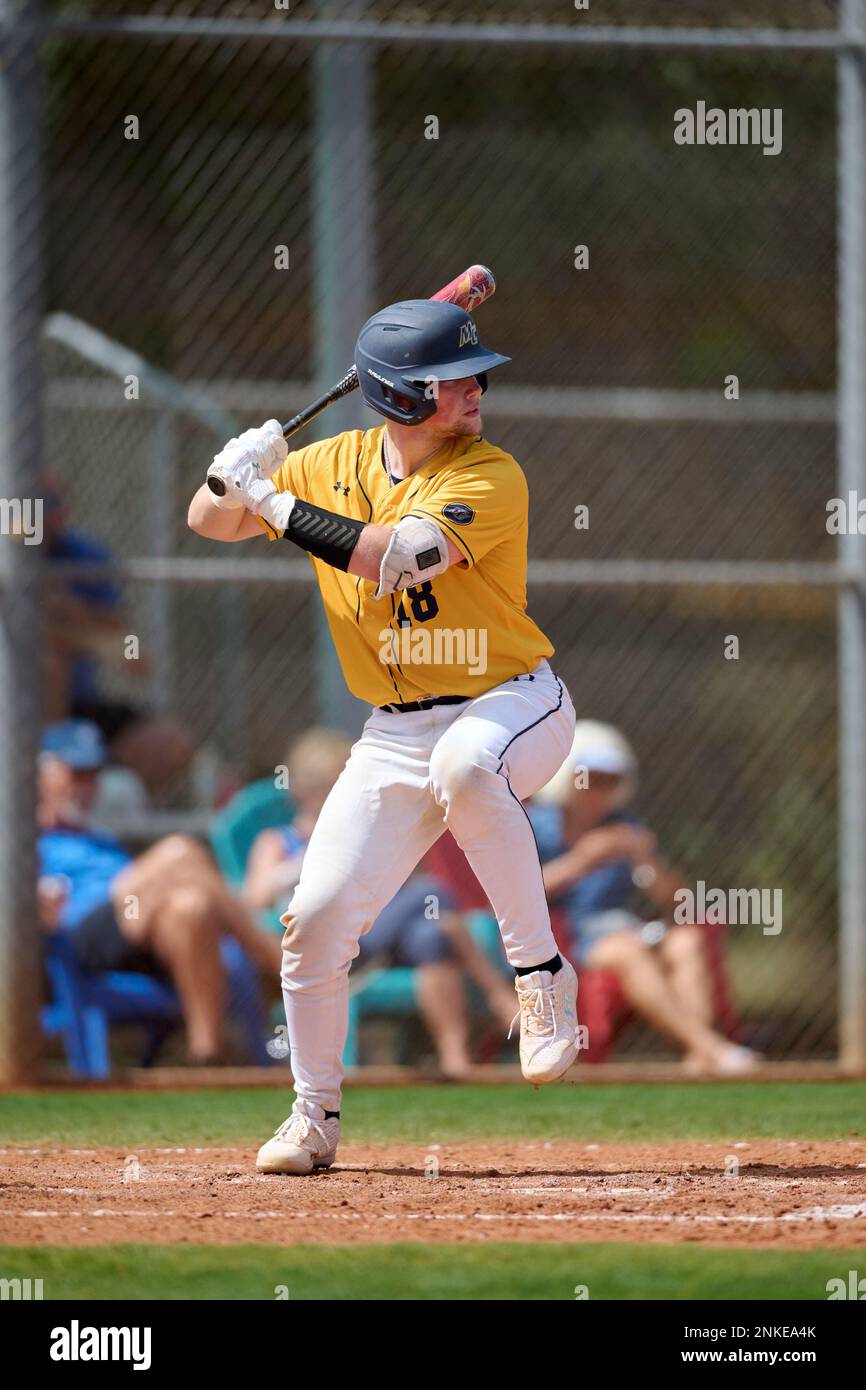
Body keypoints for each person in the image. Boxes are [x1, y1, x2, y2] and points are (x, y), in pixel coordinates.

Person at [188, 298, 579, 1174]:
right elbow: (206, 524)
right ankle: (312, 1113)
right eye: (451, 380)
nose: (475, 389)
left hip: (514, 702)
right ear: (399, 399)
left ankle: (543, 976)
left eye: (474, 374)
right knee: (315, 920)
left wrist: (272, 502)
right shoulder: (328, 464)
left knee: (467, 764)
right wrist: (231, 475)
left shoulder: (492, 473)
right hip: (393, 732)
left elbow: (393, 557)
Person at [243, 727, 517, 1077]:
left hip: (382, 933)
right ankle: (499, 994)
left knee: (432, 932)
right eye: (328, 786)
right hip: (331, 944)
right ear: (303, 792)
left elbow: (403, 879)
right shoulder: (279, 842)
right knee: (430, 893)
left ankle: (455, 1058)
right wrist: (311, 863)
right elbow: (255, 899)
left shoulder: (363, 834)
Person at [38, 721, 282, 1064]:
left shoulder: (101, 838)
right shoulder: (25, 838)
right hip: (78, 940)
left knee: (190, 907)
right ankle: (277, 960)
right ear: (41, 775)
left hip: (134, 935)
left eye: (93, 774)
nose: (87, 785)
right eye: (75, 773)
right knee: (180, 851)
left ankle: (205, 1057)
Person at [528, 721, 759, 1075]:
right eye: (591, 777)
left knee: (687, 942)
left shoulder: (625, 824)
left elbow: (678, 901)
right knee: (627, 950)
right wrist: (583, 860)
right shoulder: (537, 824)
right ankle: (712, 1047)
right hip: (570, 938)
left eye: (611, 780)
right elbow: (523, 893)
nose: (600, 789)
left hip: (627, 926)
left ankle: (699, 1061)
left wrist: (645, 861)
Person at [43, 477, 193, 800]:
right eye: (33, 503)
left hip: (79, 708)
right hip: (21, 711)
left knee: (169, 741)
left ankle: (107, 813)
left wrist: (73, 615)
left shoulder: (81, 554)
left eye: (52, 504)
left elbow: (126, 646)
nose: (43, 514)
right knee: (49, 662)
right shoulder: (9, 551)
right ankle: (50, 769)